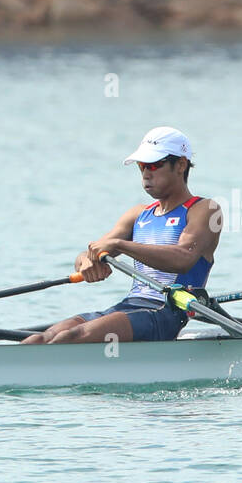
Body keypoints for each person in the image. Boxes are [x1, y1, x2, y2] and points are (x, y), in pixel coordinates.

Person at [23, 127, 221, 344]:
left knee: (71, 337)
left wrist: (120, 245)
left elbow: (183, 259)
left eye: (154, 165)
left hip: (165, 314)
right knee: (40, 338)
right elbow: (91, 252)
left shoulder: (204, 210)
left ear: (181, 165)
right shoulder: (138, 214)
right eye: (142, 166)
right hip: (130, 306)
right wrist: (86, 263)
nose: (146, 174)